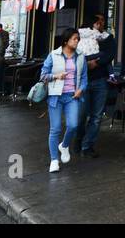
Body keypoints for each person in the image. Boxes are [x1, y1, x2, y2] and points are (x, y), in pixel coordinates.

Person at [40, 28, 86, 174]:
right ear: (66, 41)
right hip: (55, 96)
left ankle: (64, 145)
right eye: (74, 38)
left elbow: (84, 77)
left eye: (78, 39)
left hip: (72, 97)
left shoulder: (81, 56)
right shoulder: (53, 55)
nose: (77, 41)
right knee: (56, 129)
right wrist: (56, 76)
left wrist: (81, 89)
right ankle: (54, 160)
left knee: (73, 125)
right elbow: (43, 75)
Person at [75, 15, 116, 157]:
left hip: (100, 80)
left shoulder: (107, 38)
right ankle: (79, 139)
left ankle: (87, 146)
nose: (100, 22)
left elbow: (110, 54)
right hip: (82, 81)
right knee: (80, 116)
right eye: (97, 20)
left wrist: (96, 63)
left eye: (102, 20)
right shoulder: (80, 35)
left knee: (96, 116)